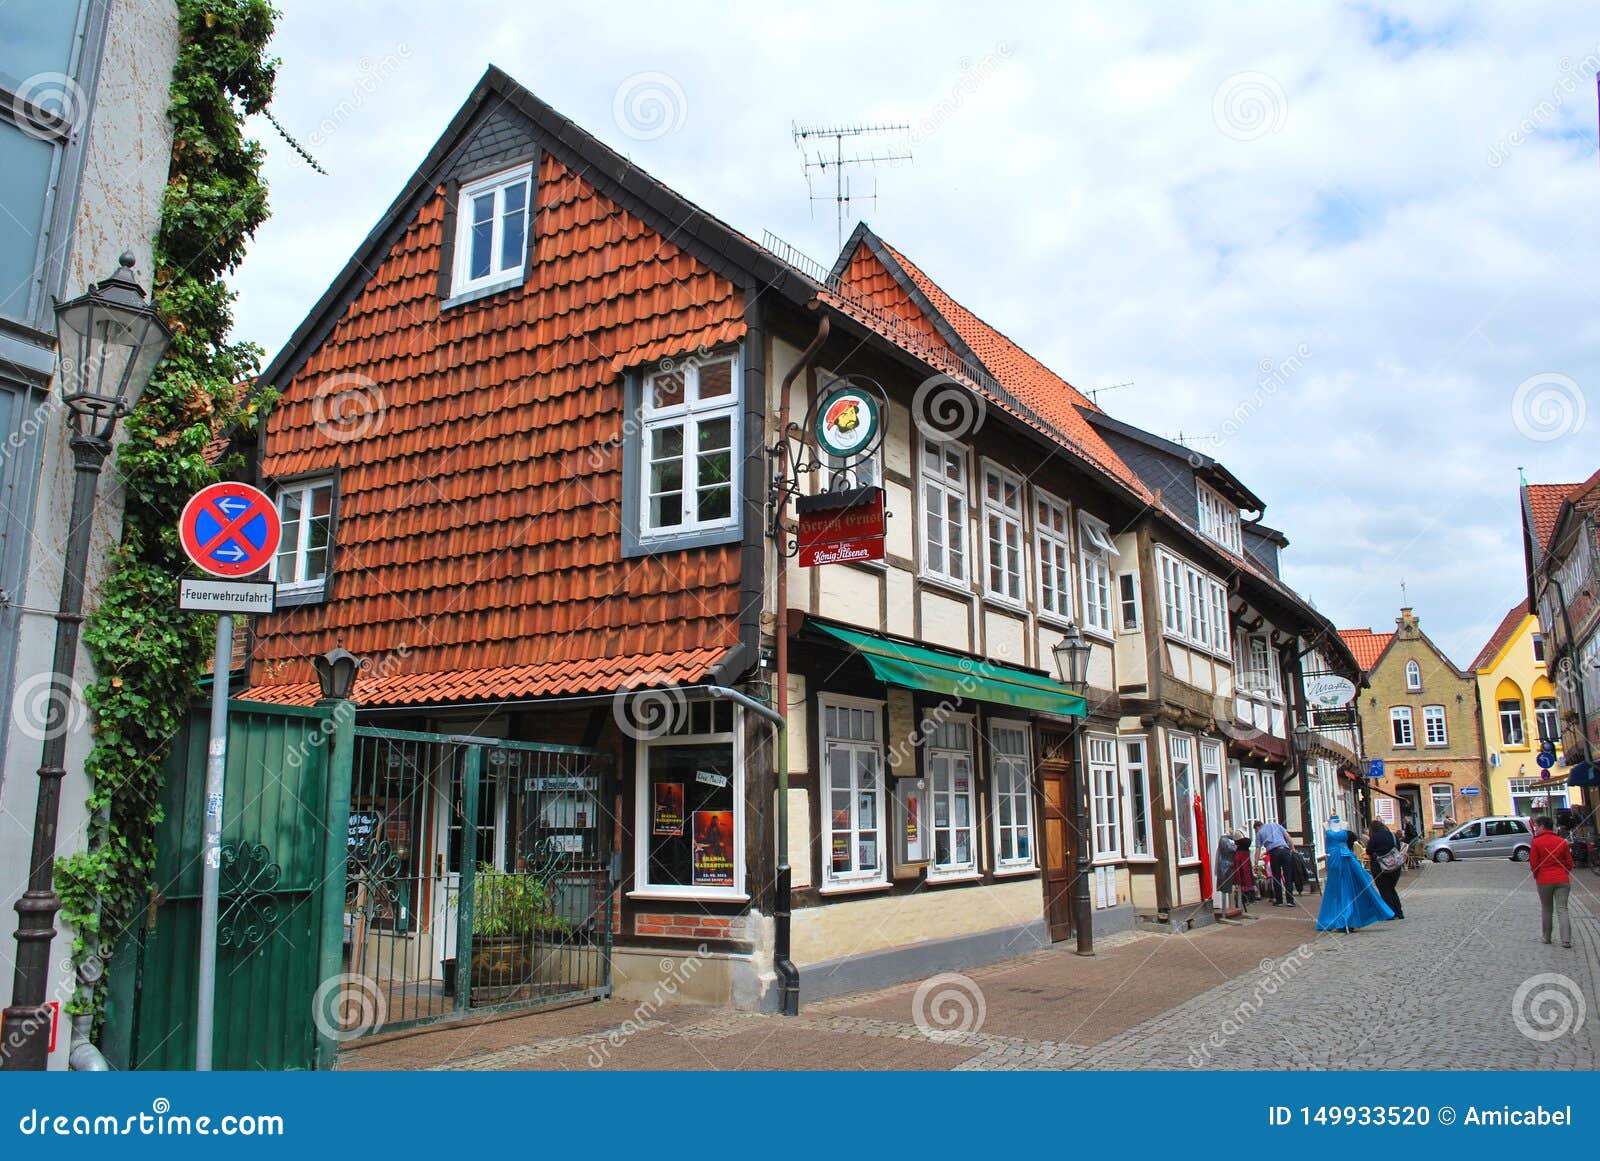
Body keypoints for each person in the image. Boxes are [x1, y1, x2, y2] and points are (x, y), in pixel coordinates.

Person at [1316, 814, 1394, 933]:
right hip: (1335, 859)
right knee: (1336, 889)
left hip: (1346, 859)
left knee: (1349, 887)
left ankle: (1348, 917)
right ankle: (1341, 918)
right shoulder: (1327, 825)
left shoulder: (1343, 825)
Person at [1529, 815, 1573, 948]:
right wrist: (1564, 873)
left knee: (1547, 909)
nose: (1535, 829)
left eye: (1536, 826)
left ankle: (1547, 937)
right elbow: (1569, 862)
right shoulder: (1561, 841)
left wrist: (1537, 875)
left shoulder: (1536, 842)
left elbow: (1534, 863)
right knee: (1563, 909)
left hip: (1544, 880)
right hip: (1562, 879)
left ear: (1542, 826)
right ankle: (1566, 940)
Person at [1365, 819, 1405, 919]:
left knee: (1384, 890)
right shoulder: (1392, 835)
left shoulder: (1374, 837)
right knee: (1391, 888)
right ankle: (1399, 912)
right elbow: (1398, 848)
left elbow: (1368, 851)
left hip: (1380, 867)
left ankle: (1389, 913)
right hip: (1395, 867)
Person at [1256, 817, 1296, 906]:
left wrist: (1256, 861)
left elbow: (1258, 848)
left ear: (1257, 827)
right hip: (1285, 850)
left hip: (1274, 853)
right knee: (1288, 876)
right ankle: (1290, 901)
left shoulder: (1259, 833)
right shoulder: (1276, 825)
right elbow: (1288, 836)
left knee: (1276, 877)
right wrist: (1292, 848)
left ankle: (1279, 901)